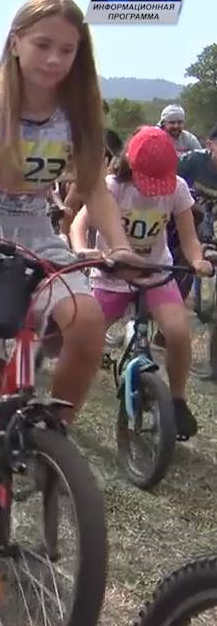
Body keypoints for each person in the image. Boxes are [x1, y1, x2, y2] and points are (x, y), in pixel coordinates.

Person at [0, 0, 145, 529]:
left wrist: (121, 246)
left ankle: (49, 441)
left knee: (88, 324)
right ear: (15, 44)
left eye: (68, 49)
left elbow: (94, 189)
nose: (56, 59)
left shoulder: (81, 113)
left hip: (40, 233)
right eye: (43, 45)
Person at [71, 126, 210, 439]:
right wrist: (82, 249)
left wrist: (197, 259)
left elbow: (189, 237)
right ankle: (66, 405)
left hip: (155, 271)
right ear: (130, 164)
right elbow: (81, 221)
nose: (154, 190)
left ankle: (176, 400)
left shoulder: (176, 188)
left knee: (178, 332)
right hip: (111, 274)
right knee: (85, 340)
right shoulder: (113, 187)